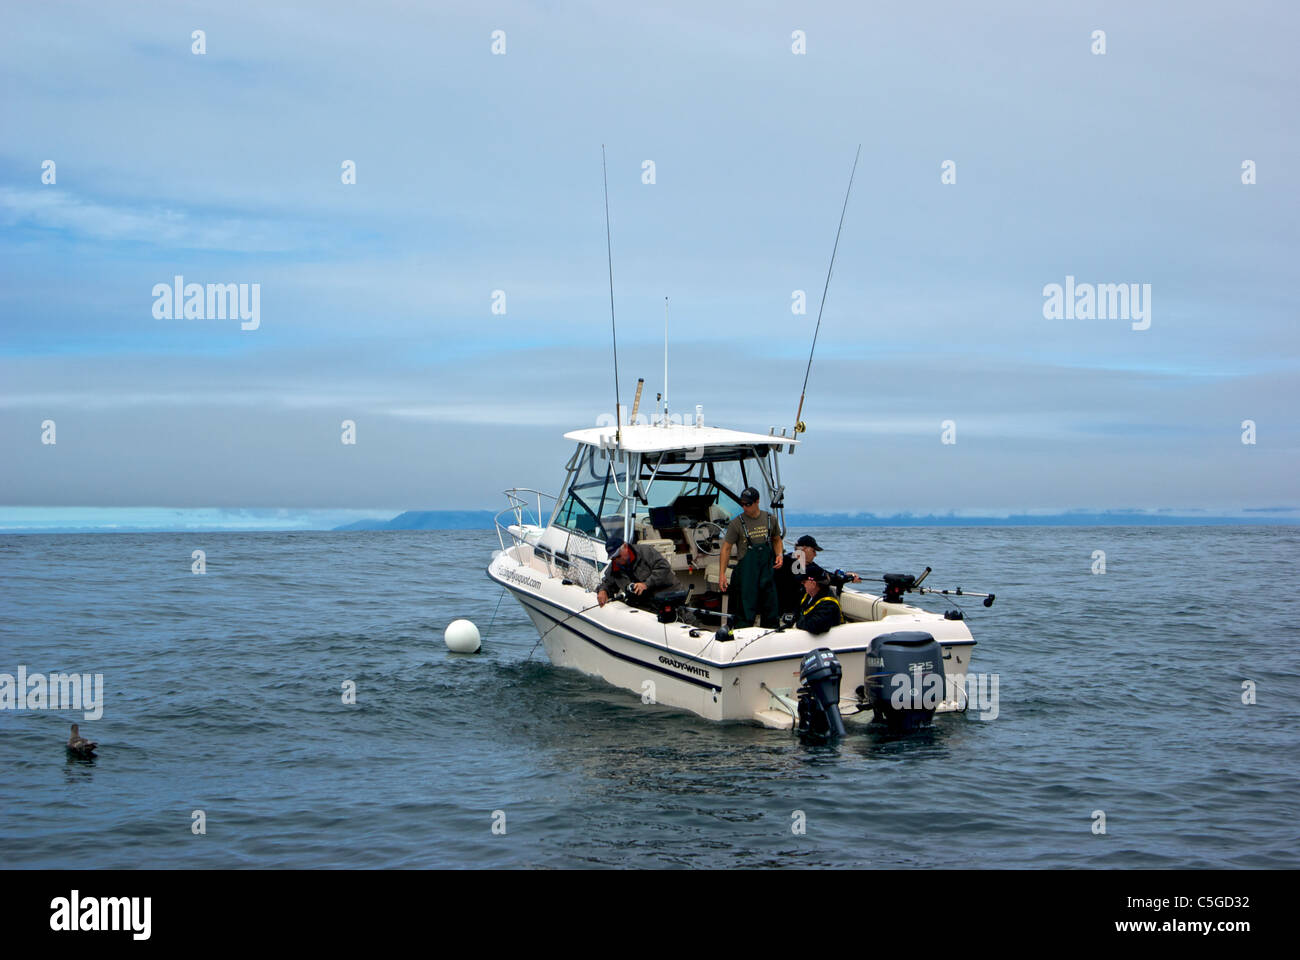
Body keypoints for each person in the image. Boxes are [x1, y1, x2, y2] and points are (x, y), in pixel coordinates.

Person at [718, 487, 783, 628]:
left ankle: (771, 632)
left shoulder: (770, 519)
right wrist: (722, 574)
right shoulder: (736, 523)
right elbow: (726, 548)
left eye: (748, 504)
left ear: (757, 502)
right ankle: (742, 633)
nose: (745, 507)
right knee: (745, 608)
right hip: (747, 574)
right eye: (742, 504)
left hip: (766, 571)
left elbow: (777, 539)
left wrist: (779, 555)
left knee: (770, 606)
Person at [776, 534, 861, 615]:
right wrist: (848, 577)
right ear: (805, 549)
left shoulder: (805, 564)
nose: (815, 555)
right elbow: (825, 577)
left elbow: (825, 574)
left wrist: (845, 575)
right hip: (787, 611)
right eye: (814, 551)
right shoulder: (793, 564)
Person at [596, 534, 680, 608]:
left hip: (669, 596)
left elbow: (664, 568)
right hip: (645, 606)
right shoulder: (614, 568)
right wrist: (603, 591)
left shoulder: (646, 551)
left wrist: (646, 584)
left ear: (625, 547)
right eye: (613, 558)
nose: (617, 560)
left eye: (618, 556)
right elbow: (607, 583)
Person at [796, 564, 844, 635]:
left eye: (804, 582)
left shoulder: (829, 604)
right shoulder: (808, 596)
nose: (802, 584)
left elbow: (816, 626)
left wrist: (798, 621)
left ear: (813, 583)